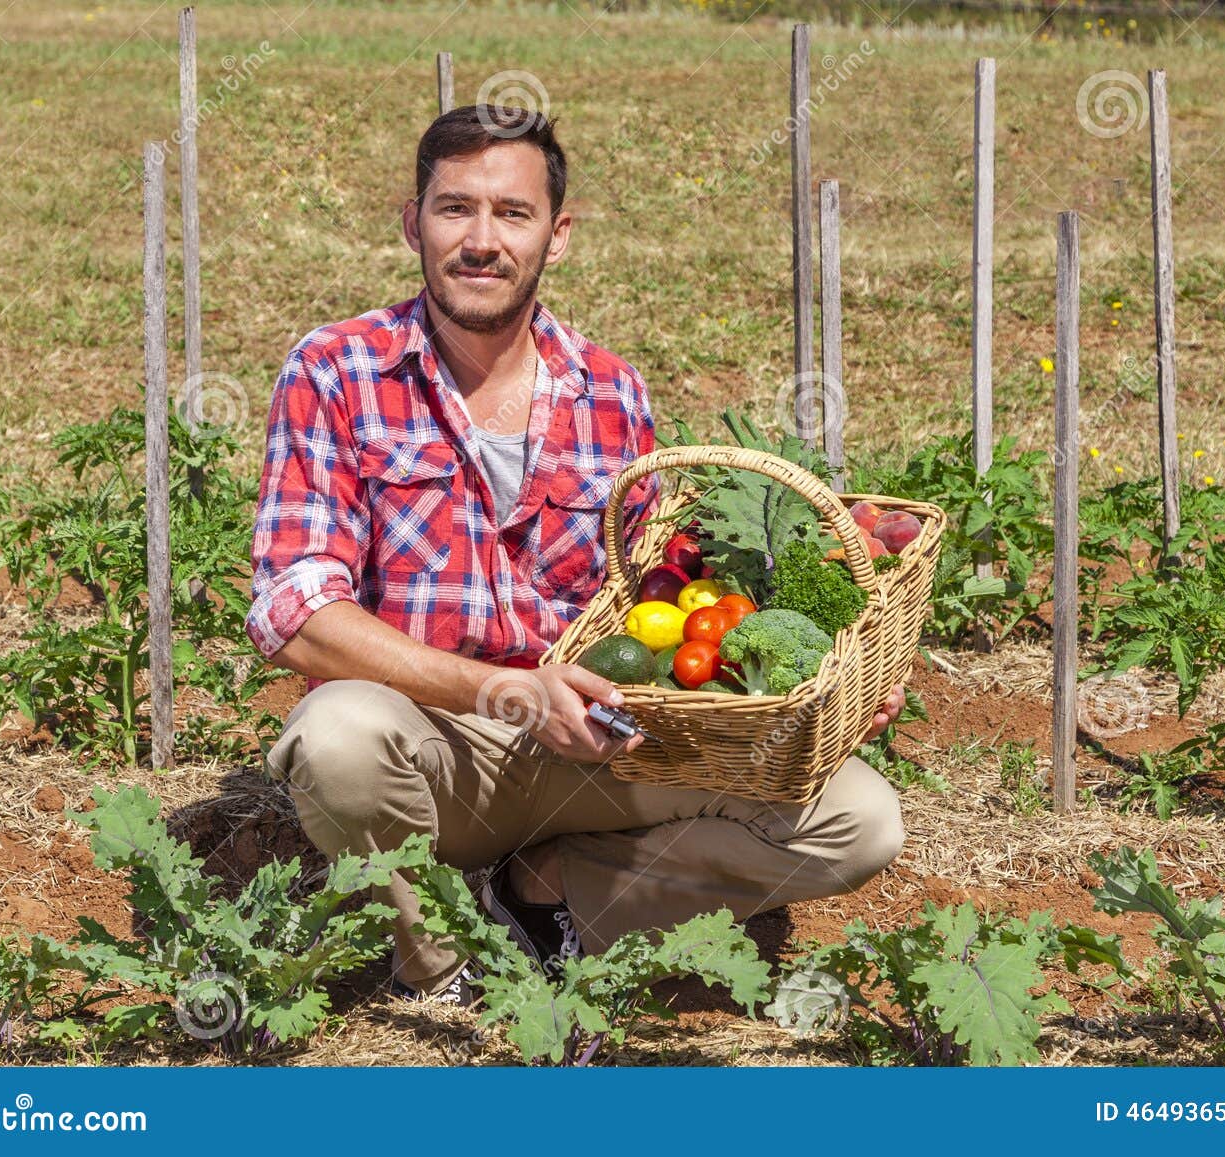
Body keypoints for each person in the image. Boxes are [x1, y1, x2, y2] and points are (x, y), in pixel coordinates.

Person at [247, 103, 906, 1004]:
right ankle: (438, 960)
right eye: (455, 209)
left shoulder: (613, 392)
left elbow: (661, 607)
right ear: (413, 222)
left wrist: (815, 686)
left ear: (556, 236)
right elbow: (296, 613)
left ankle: (545, 893)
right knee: (336, 737)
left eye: (511, 214)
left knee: (859, 821)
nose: (482, 240)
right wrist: (496, 688)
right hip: (433, 747)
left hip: (591, 751)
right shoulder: (336, 371)